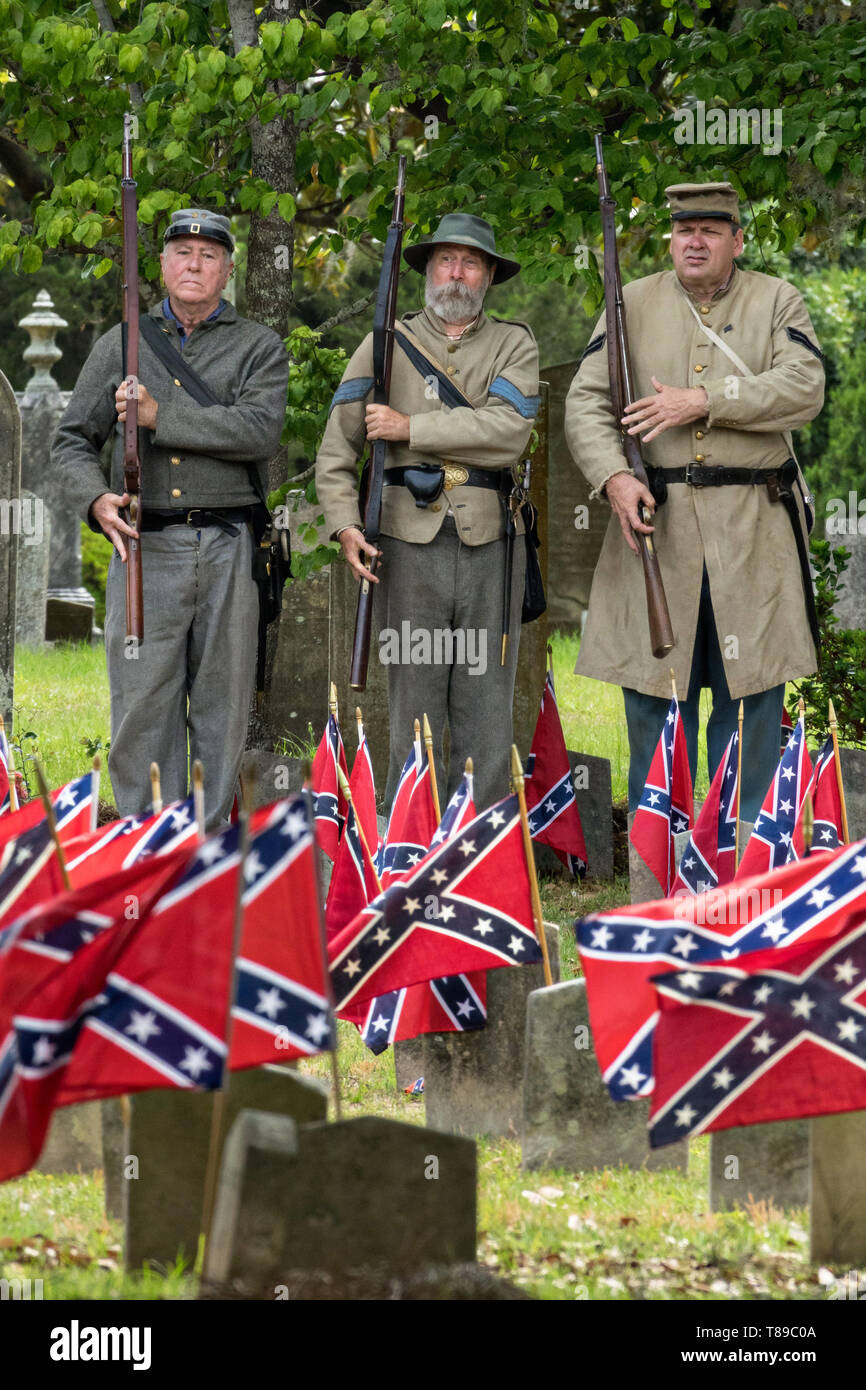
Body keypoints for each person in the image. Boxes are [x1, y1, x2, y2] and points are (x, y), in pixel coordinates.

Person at [565, 182, 825, 820]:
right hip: (659, 527)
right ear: (670, 240)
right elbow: (586, 402)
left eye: (712, 230)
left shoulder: (776, 299)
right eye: (685, 230)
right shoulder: (629, 302)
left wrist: (706, 400)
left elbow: (805, 388)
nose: (696, 241)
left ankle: (746, 865)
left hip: (753, 533)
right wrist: (614, 479)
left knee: (753, 696)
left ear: (737, 240)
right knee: (656, 697)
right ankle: (660, 867)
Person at [53, 208, 289, 824]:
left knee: (221, 708)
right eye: (181, 251)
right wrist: (94, 498)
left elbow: (260, 431)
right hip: (144, 548)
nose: (194, 263)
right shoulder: (121, 343)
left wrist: (162, 416)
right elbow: (73, 439)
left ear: (228, 269)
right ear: (160, 266)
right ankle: (145, 848)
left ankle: (205, 860)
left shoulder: (258, 347)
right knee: (141, 707)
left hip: (229, 547)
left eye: (208, 255)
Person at [315, 212, 540, 810]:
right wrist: (343, 524)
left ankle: (483, 853)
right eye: (446, 259)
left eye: (470, 262)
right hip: (403, 545)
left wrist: (411, 427)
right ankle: (409, 845)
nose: (456, 272)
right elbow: (338, 446)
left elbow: (508, 431)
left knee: (487, 705)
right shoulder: (383, 344)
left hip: (492, 542)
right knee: (411, 702)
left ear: (489, 275)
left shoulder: (514, 343)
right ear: (426, 270)